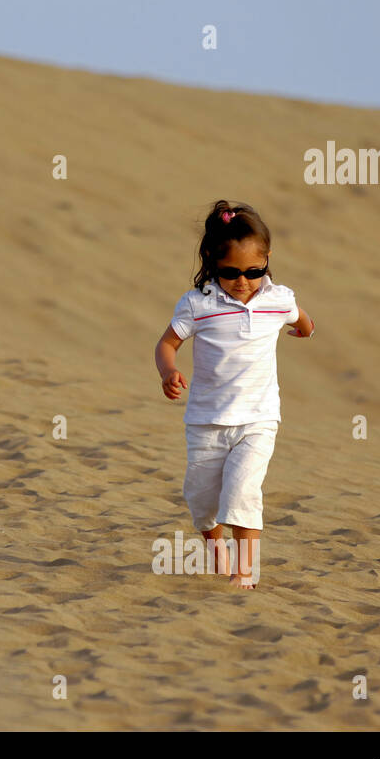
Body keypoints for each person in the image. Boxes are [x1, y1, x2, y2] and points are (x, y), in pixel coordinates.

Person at [154, 201, 315, 589]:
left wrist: (304, 331)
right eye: (231, 272)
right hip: (206, 422)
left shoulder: (278, 299)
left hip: (258, 420)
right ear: (211, 261)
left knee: (243, 492)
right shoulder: (199, 304)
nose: (243, 281)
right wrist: (168, 370)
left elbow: (303, 320)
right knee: (202, 500)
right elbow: (167, 343)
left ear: (267, 261)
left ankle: (245, 572)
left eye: (254, 271)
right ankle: (216, 551)